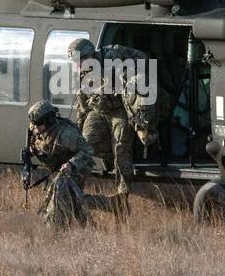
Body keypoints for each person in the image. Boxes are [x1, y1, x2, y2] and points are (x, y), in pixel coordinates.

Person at [69, 38, 157, 197]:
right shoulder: (81, 73)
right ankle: (74, 185)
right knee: (85, 144)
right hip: (98, 111)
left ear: (89, 56)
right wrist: (80, 126)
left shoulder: (112, 55)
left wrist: (123, 78)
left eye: (79, 61)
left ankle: (123, 193)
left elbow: (143, 59)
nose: (76, 65)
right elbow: (82, 102)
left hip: (119, 109)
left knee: (120, 145)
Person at [27, 100, 93, 228]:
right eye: (33, 123)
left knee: (59, 195)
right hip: (59, 167)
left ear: (48, 120)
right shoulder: (37, 127)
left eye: (38, 123)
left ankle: (56, 229)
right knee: (72, 199)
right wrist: (32, 151)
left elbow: (88, 151)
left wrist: (71, 164)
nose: (34, 127)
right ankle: (110, 204)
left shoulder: (67, 135)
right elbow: (41, 142)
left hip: (78, 167)